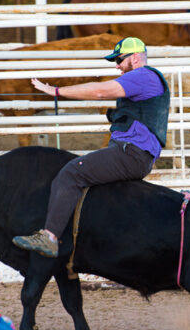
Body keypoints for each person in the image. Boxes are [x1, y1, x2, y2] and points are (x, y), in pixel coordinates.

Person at [12, 36, 169, 258]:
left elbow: (99, 91)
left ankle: (50, 237)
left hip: (131, 154)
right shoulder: (143, 80)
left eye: (120, 60)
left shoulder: (143, 76)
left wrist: (57, 91)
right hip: (132, 153)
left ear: (135, 58)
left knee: (71, 173)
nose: (117, 66)